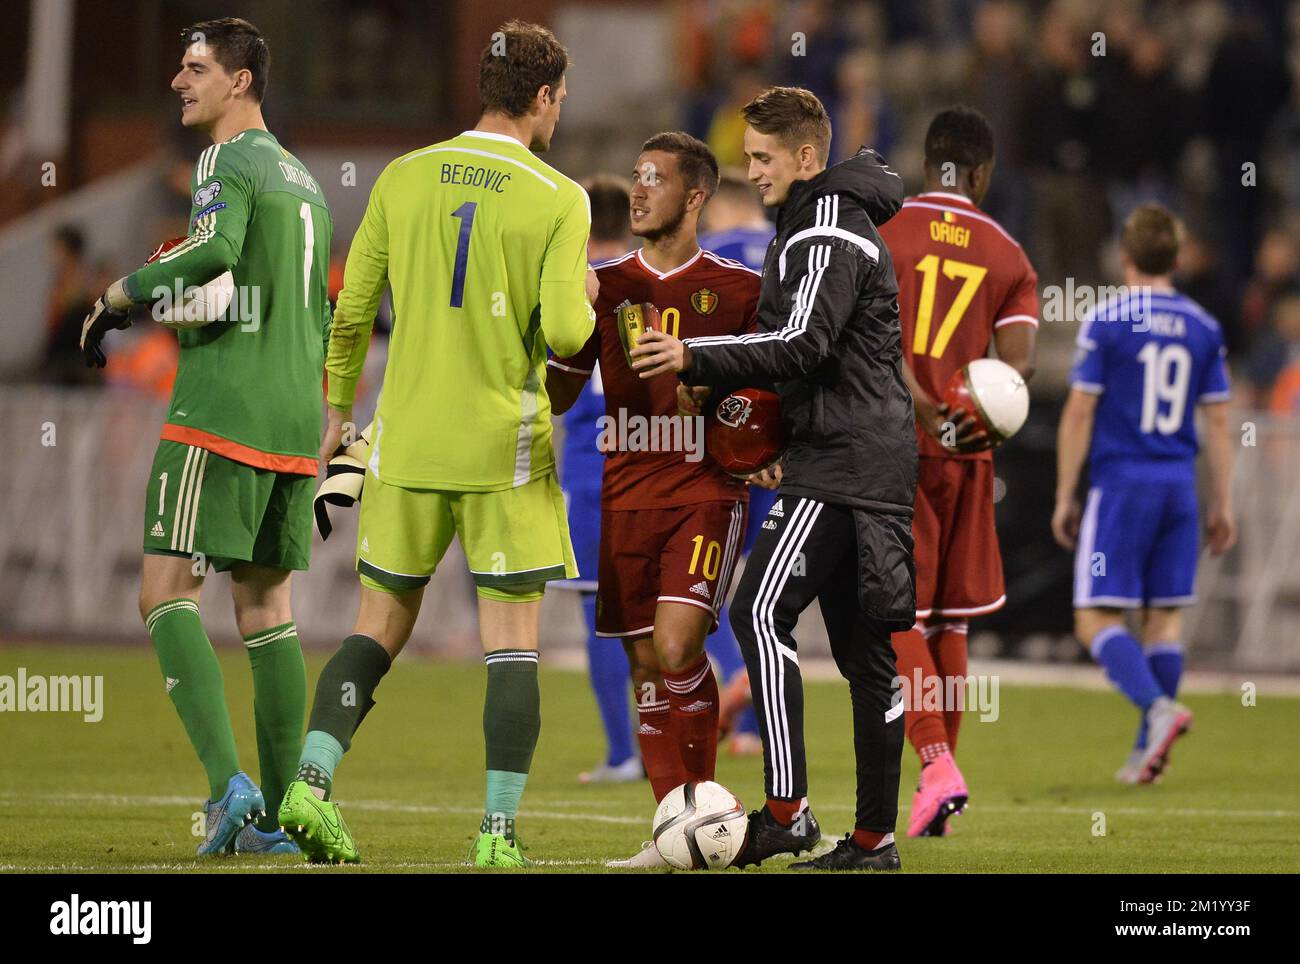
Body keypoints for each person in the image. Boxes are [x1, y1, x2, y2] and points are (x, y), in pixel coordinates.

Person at [276, 20, 597, 867]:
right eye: (560, 100)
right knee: (512, 641)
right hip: (505, 450)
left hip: (405, 441)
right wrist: (591, 298)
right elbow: (568, 332)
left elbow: (351, 311)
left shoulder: (404, 174)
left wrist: (338, 414)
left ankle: (311, 782)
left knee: (376, 625)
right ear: (541, 97)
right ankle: (495, 835)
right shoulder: (562, 198)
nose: (559, 115)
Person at [633, 86, 917, 871]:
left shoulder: (822, 228)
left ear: (805, 157)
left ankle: (788, 813)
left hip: (842, 461)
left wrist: (696, 356)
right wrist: (731, 397)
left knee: (759, 609)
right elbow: (801, 349)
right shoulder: (823, 220)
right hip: (870, 457)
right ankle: (873, 842)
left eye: (762, 158)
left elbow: (802, 341)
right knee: (868, 657)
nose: (749, 171)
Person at [78, 18, 332, 856]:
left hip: (222, 412)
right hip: (294, 422)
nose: (180, 82)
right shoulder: (306, 179)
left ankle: (230, 790)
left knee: (162, 591)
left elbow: (215, 249)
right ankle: (283, 821)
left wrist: (125, 293)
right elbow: (286, 303)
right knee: (267, 609)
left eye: (196, 69)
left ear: (242, 81)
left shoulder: (225, 159)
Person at [548, 132, 760, 867]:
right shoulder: (602, 285)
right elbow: (559, 392)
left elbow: (773, 389)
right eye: (635, 177)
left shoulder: (738, 290)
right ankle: (672, 830)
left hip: (704, 490)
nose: (638, 191)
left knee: (677, 645)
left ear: (695, 197)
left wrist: (761, 443)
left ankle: (701, 807)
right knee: (643, 662)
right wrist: (557, 320)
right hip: (624, 491)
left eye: (655, 179)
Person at [878, 106, 1038, 837]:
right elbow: (1017, 370)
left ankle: (936, 764)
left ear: (925, 164)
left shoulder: (886, 231)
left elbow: (873, 340)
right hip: (968, 452)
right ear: (983, 173)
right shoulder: (1008, 254)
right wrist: (966, 413)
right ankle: (935, 796)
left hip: (894, 448)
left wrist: (919, 404)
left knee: (894, 615)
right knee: (953, 624)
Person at [1053, 203, 1236, 784]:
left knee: (1094, 619)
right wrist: (1223, 502)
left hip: (1124, 483)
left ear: (1125, 257)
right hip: (1180, 486)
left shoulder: (1108, 321)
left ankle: (1157, 710)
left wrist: (1064, 493)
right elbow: (1220, 424)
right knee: (1163, 624)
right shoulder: (1205, 327)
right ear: (1177, 260)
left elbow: (1080, 411)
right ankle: (1148, 754)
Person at [562, 173, 642, 785]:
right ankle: (677, 741)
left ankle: (623, 753)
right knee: (663, 609)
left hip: (591, 465)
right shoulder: (644, 280)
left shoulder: (572, 281)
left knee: (599, 610)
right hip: (649, 459)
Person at [699, 169, 776, 756]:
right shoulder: (790, 250)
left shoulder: (713, 258)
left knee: (714, 585)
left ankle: (730, 683)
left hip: (727, 444)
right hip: (784, 445)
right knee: (765, 592)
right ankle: (753, 724)